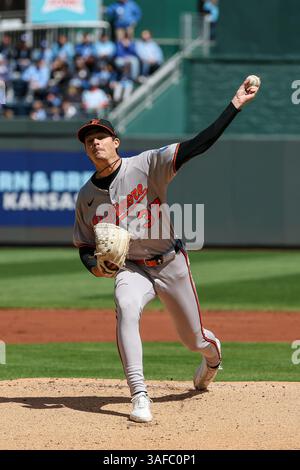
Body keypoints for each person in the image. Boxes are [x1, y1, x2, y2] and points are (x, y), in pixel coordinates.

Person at [73, 77, 260, 423]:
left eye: (100, 137)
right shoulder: (86, 196)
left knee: (195, 339)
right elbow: (85, 246)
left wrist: (235, 104)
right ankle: (140, 395)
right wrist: (96, 267)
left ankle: (212, 358)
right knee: (126, 306)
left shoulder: (146, 164)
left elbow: (197, 145)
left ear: (116, 142)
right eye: (88, 141)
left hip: (171, 262)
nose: (94, 143)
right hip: (132, 268)